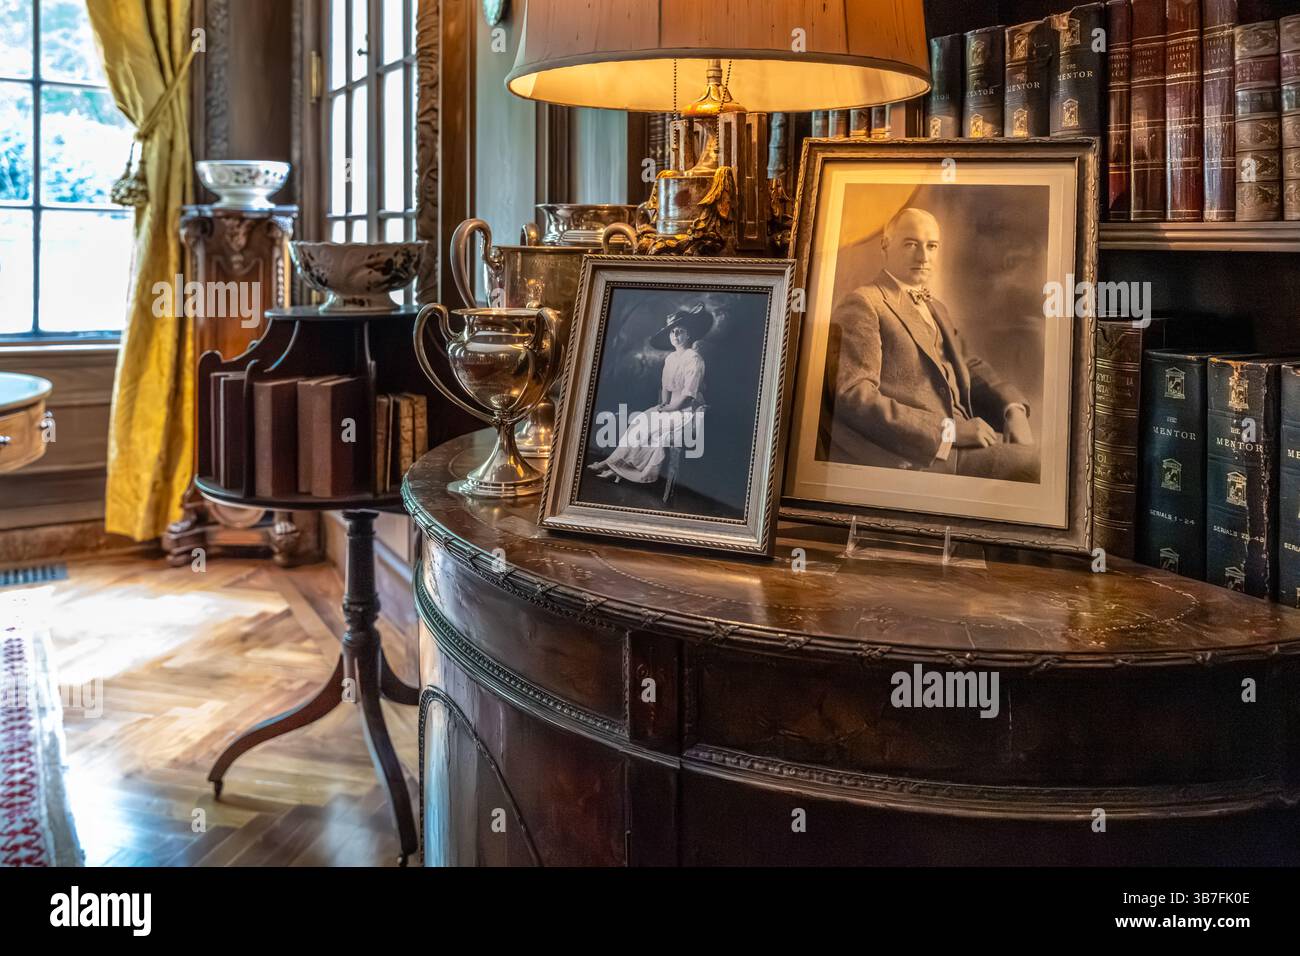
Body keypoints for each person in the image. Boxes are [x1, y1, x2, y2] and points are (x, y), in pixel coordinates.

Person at [820, 206, 1039, 481]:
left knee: (1044, 464)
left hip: (966, 441)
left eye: (931, 246)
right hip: (920, 457)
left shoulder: (936, 307)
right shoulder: (864, 303)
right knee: (1034, 467)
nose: (924, 257)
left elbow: (967, 365)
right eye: (911, 244)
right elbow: (853, 396)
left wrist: (1012, 408)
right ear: (886, 244)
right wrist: (949, 431)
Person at [588, 305, 710, 484]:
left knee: (651, 429)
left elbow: (688, 394)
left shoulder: (694, 359)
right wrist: (663, 405)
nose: (675, 336)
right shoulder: (670, 358)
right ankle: (614, 465)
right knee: (640, 423)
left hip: (685, 411)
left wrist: (670, 409)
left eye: (680, 331)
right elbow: (666, 387)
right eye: (672, 332)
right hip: (670, 407)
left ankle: (616, 469)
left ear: (689, 334)